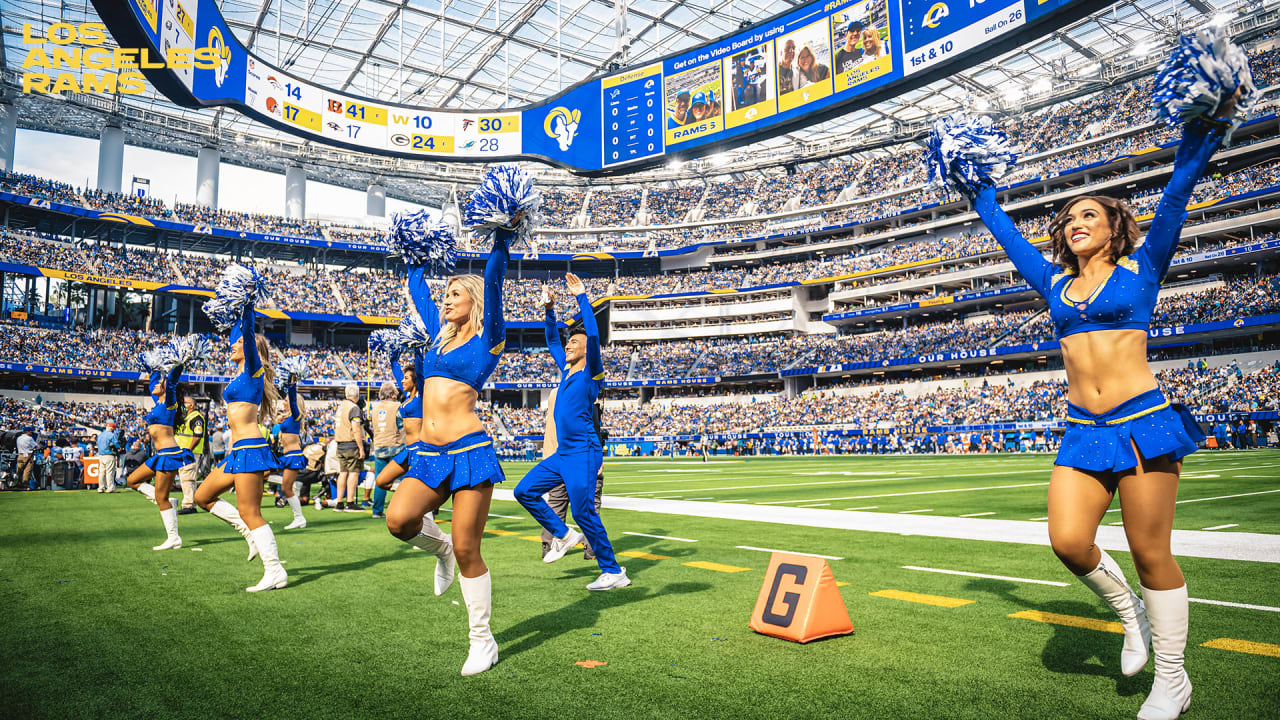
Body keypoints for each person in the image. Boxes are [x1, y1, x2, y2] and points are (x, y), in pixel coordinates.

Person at [965, 92, 1240, 720]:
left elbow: (1174, 197)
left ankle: (1172, 680)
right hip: (1081, 429)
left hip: (1143, 422)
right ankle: (1131, 614)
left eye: (1088, 214)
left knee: (1151, 553)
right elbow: (1008, 236)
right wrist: (976, 192)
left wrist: (1207, 130)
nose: (1073, 223)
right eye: (1067, 219)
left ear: (1115, 226)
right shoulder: (1054, 281)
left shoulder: (1143, 266)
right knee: (1067, 541)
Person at [384, 180, 523, 676]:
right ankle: (437, 550)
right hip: (428, 454)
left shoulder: (489, 340)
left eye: (455, 295)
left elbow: (496, 276)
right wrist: (413, 254)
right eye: (445, 295)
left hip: (468, 451)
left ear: (473, 302)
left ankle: (481, 640)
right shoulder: (434, 342)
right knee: (399, 521)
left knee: (470, 548)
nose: (445, 301)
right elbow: (418, 286)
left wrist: (502, 236)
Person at [515, 274, 627, 591]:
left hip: (584, 451)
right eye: (569, 342)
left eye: (574, 343)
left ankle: (613, 570)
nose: (568, 344)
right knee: (523, 491)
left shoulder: (592, 373)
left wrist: (581, 297)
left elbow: (591, 331)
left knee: (583, 510)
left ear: (587, 348)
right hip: (562, 454)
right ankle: (563, 535)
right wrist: (549, 310)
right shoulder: (565, 370)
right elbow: (552, 338)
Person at [194, 268, 288, 592]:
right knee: (201, 496)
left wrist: (247, 304)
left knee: (252, 511)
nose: (230, 346)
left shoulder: (253, 370)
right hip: (236, 451)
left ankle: (274, 570)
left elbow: (246, 335)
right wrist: (234, 305)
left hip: (249, 450)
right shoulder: (239, 375)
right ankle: (249, 534)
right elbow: (239, 332)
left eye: (234, 344)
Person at [126, 345, 194, 549]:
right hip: (160, 454)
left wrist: (179, 363)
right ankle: (166, 500)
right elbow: (154, 383)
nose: (154, 385)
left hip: (169, 454)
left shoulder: (170, 403)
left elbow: (172, 382)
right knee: (132, 480)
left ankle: (174, 537)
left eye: (159, 384)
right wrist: (154, 366)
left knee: (160, 497)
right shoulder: (158, 401)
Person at [275, 359, 308, 530]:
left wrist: (291, 382)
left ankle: (299, 518)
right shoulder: (287, 418)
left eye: (286, 400)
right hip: (286, 455)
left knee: (286, 488)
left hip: (293, 455)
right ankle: (299, 517)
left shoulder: (296, 416)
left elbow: (293, 401)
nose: (285, 402)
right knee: (265, 474)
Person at [369, 380, 405, 519]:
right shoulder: (397, 407)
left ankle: (377, 511)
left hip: (379, 446)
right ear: (392, 394)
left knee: (380, 480)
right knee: (402, 479)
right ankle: (401, 509)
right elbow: (403, 425)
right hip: (396, 446)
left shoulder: (375, 408)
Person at [332, 384, 366, 512]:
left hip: (340, 444)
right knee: (353, 473)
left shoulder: (340, 407)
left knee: (342, 473)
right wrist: (361, 448)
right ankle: (350, 502)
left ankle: (339, 502)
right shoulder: (354, 408)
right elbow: (356, 429)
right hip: (351, 443)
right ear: (357, 395)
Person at [174, 395, 206, 515]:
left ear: (191, 405)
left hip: (190, 453)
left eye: (185, 403)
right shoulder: (187, 417)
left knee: (187, 478)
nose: (183, 406)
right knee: (185, 478)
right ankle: (189, 503)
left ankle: (189, 504)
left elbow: (197, 436)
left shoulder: (196, 418)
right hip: (184, 452)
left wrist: (189, 449)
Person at [95, 422, 121, 493]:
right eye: (113, 428)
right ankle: (110, 488)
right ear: (111, 427)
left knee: (102, 473)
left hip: (101, 455)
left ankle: (101, 488)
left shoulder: (100, 435)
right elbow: (116, 444)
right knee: (110, 472)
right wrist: (119, 446)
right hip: (109, 454)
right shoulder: (111, 435)